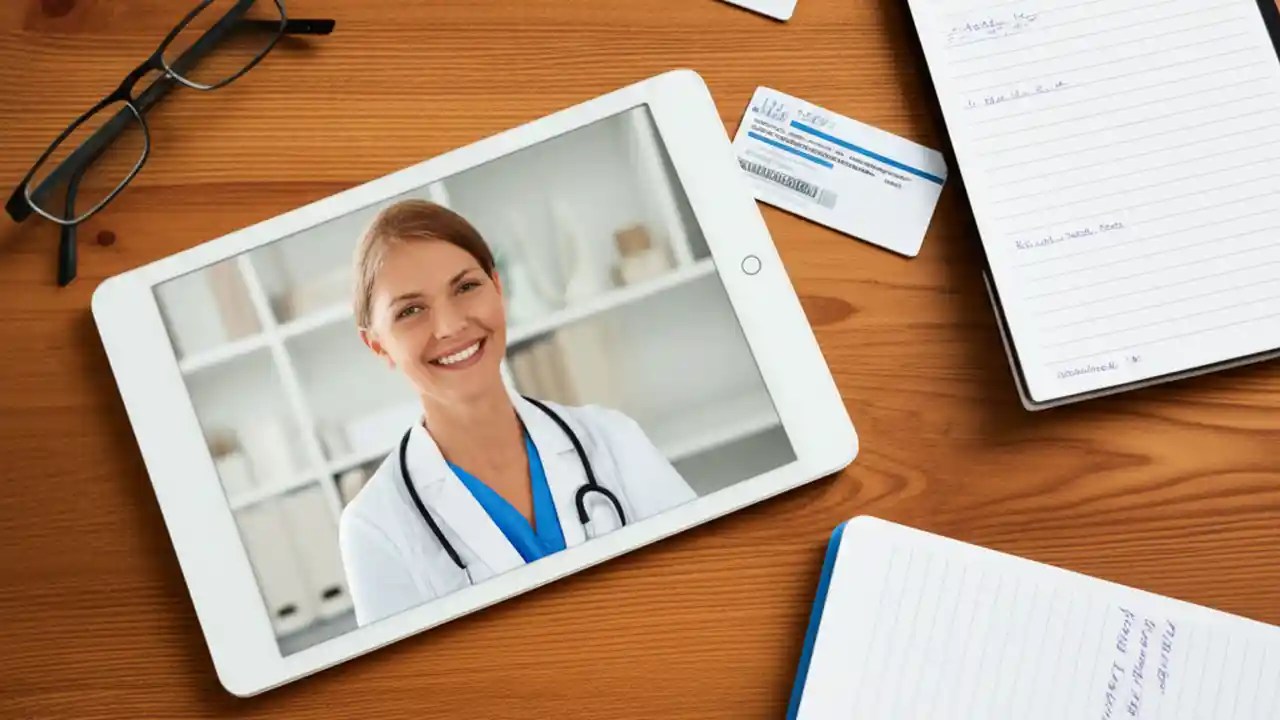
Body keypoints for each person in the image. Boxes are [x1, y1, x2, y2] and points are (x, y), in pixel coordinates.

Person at [339, 199, 697, 627]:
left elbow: (703, 587)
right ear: (377, 344)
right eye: (410, 311)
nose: (450, 326)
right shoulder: (374, 528)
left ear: (498, 288)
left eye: (465, 287)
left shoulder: (613, 439)